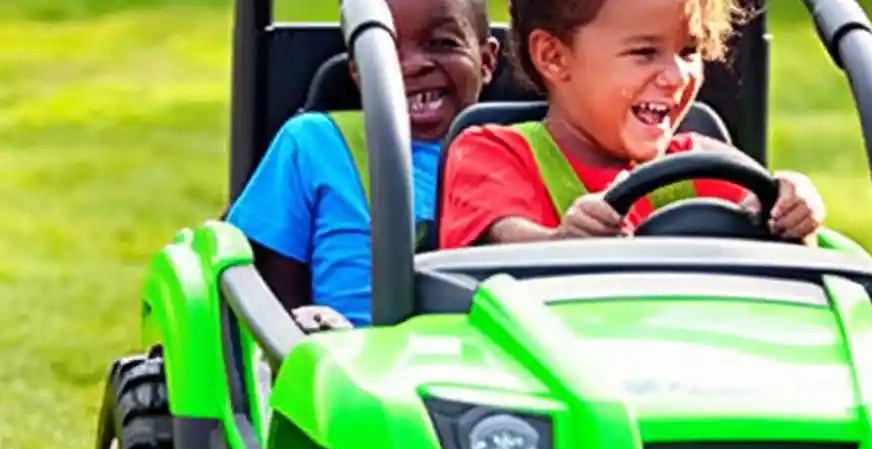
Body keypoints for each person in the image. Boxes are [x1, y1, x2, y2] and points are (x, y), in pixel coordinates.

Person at [436, 0, 826, 249]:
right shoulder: (491, 154)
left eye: (689, 51)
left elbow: (768, 233)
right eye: (644, 53)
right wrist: (558, 242)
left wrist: (790, 209)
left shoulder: (704, 163)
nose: (676, 77)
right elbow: (499, 240)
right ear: (553, 56)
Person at [226, 0, 499, 330]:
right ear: (357, 70)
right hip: (341, 363)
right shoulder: (315, 144)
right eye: (387, 49)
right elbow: (267, 287)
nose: (412, 66)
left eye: (441, 43)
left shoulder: (516, 153)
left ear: (486, 60)